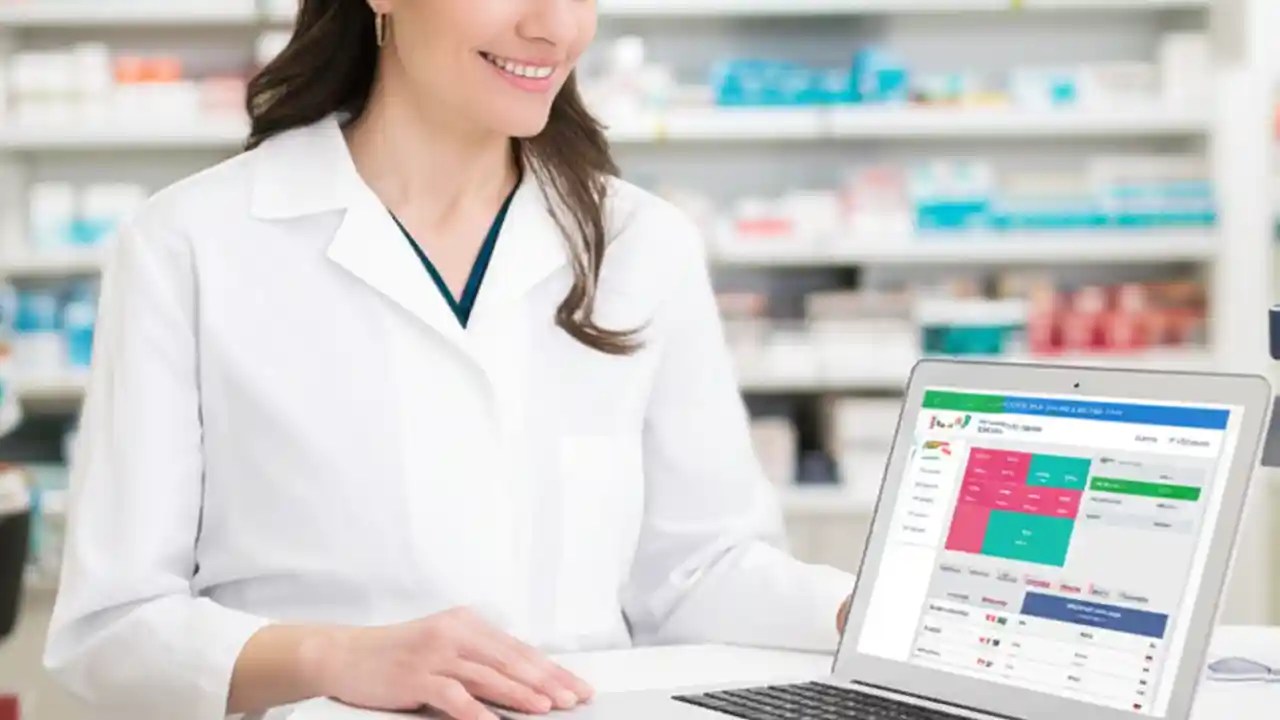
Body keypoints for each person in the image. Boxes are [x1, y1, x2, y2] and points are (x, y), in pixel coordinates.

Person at [44, 1, 856, 719]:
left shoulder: (642, 245)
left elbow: (698, 570)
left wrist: (863, 612)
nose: (555, 25)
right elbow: (112, 629)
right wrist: (337, 659)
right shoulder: (192, 243)